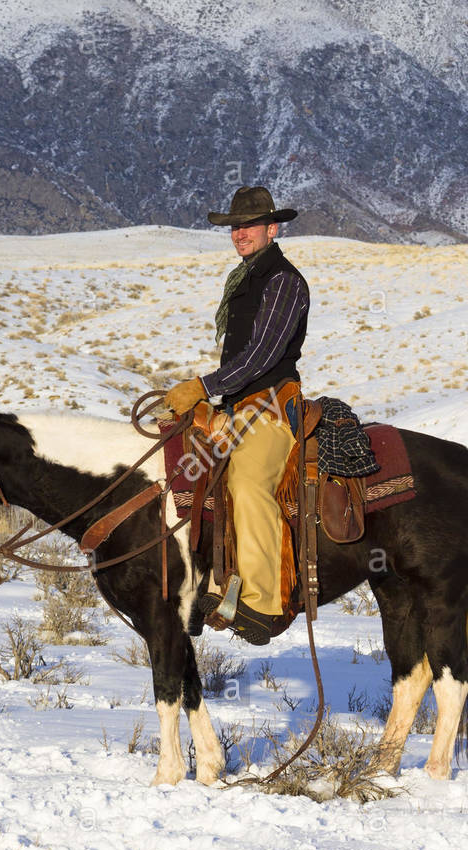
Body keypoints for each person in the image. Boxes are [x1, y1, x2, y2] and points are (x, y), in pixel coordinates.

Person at [164, 185, 308, 645]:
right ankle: (212, 586)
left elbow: (263, 354)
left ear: (273, 228)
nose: (239, 234)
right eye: (234, 228)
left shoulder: (285, 280)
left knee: (246, 483)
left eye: (248, 227)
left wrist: (204, 387)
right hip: (236, 406)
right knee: (191, 472)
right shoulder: (244, 277)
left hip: (270, 407)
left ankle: (262, 603)